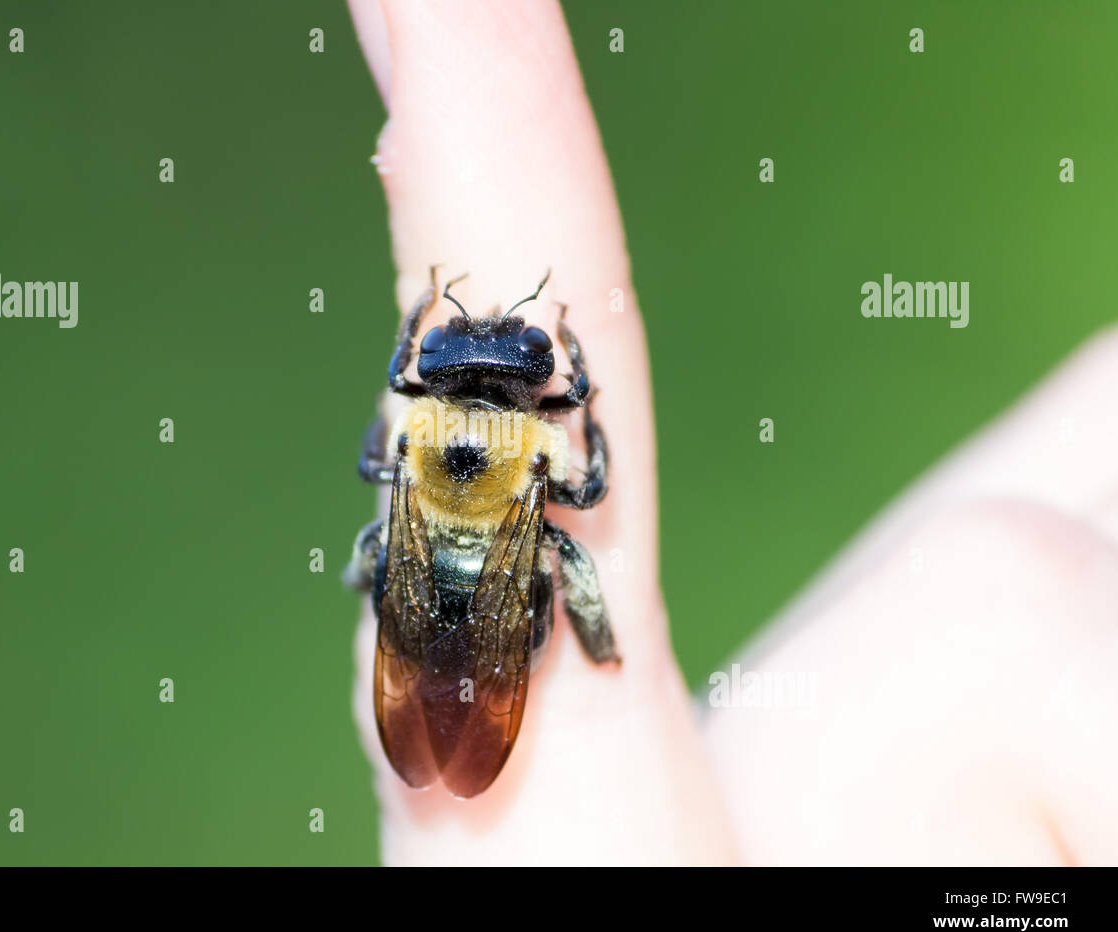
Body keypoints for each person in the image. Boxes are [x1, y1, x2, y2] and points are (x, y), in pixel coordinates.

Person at [348, 0, 1118, 865]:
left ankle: (427, 595)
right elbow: (590, 483)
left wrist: (432, 312)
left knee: (409, 552)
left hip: (432, 574)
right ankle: (595, 650)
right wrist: (568, 360)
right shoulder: (531, 449)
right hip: (477, 592)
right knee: (562, 563)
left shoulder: (414, 434)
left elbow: (378, 451)